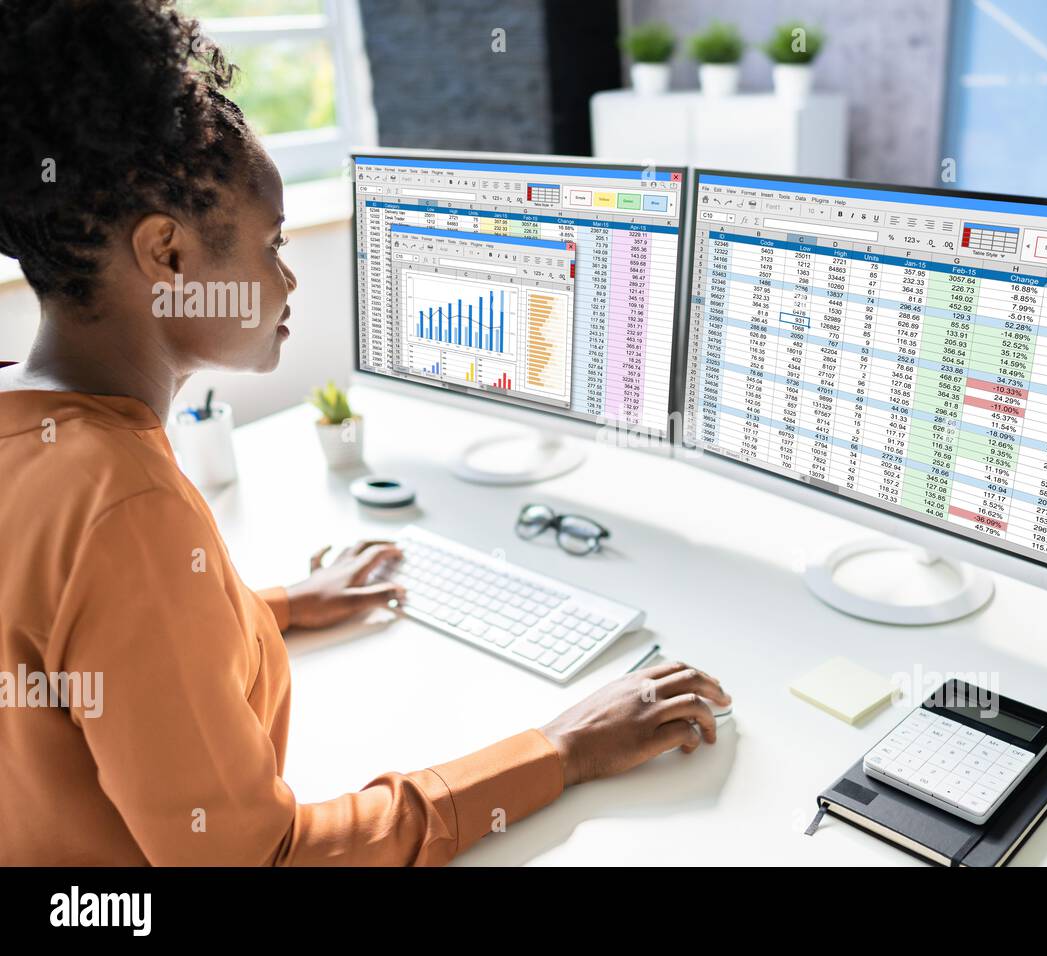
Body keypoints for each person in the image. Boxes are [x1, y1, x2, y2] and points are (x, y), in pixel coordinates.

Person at [0, 0, 729, 865]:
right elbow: (264, 859)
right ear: (168, 255)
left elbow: (77, 648)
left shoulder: (37, 437)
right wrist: (562, 751)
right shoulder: (127, 509)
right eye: (271, 244)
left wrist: (269, 611)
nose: (287, 276)